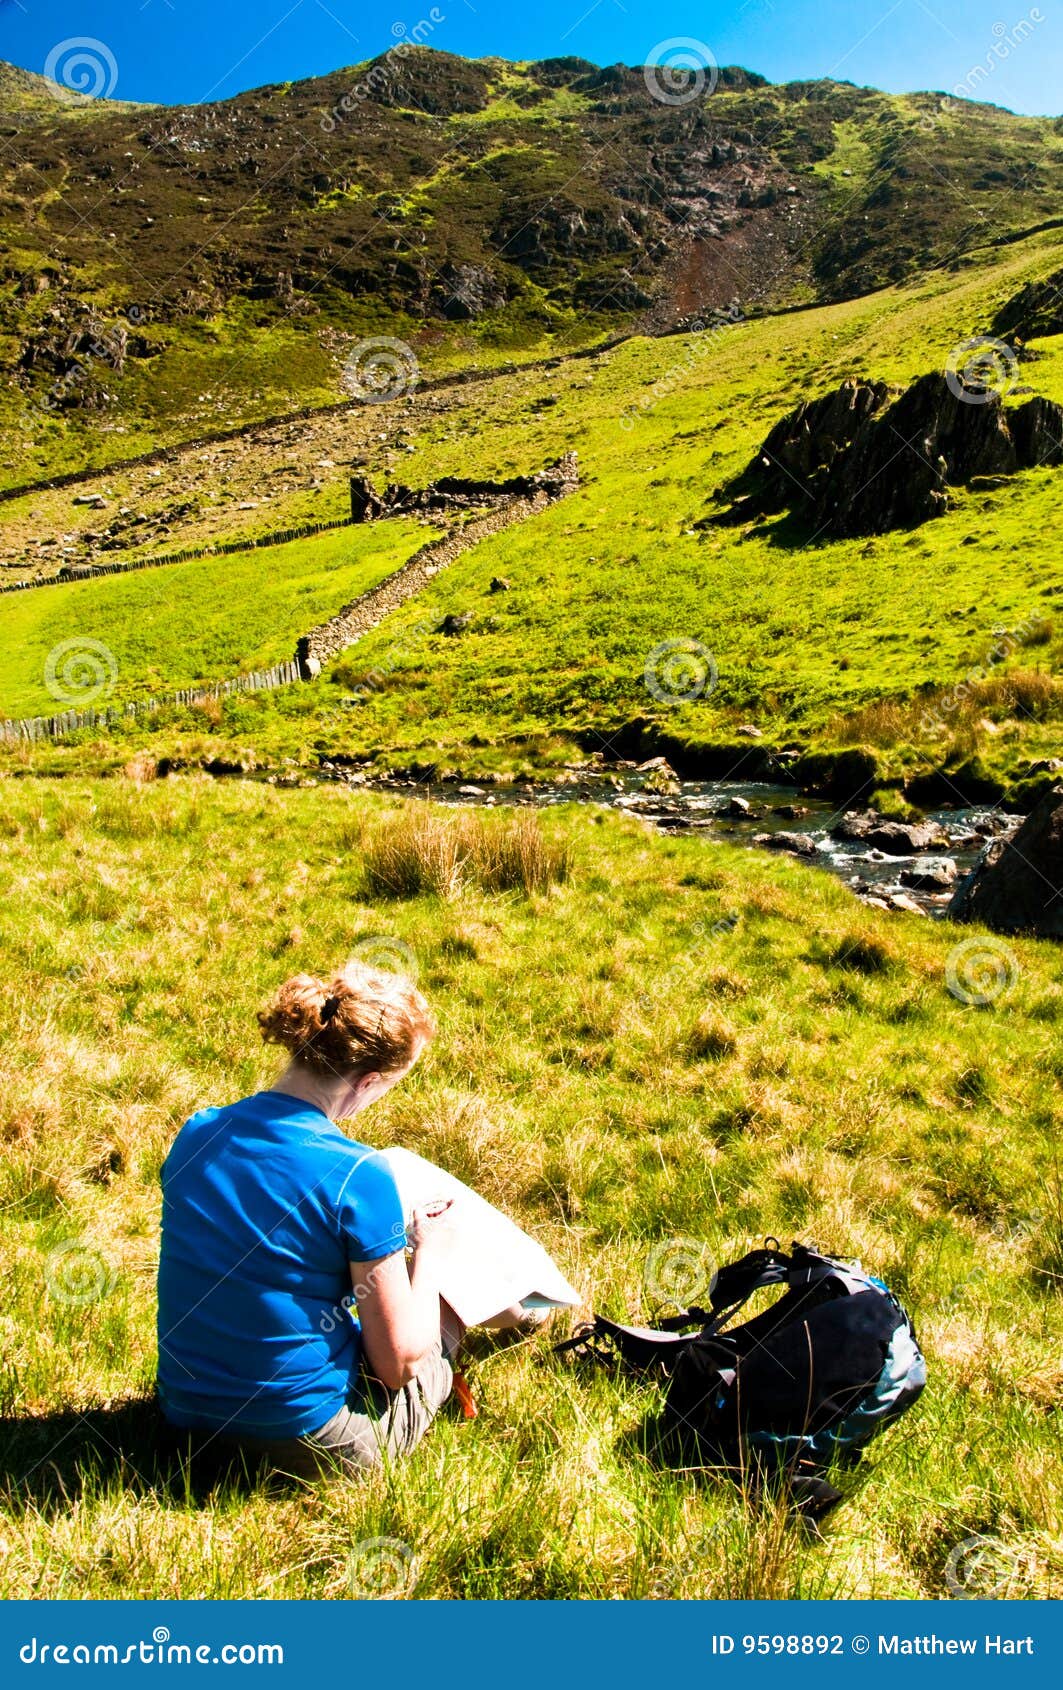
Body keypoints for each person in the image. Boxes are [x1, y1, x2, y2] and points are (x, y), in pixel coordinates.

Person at [157, 960, 471, 1478]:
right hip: (305, 1440)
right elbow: (396, 1365)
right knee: (440, 1326)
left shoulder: (197, 1133)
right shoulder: (361, 1174)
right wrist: (429, 1253)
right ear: (368, 1081)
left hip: (185, 1422)